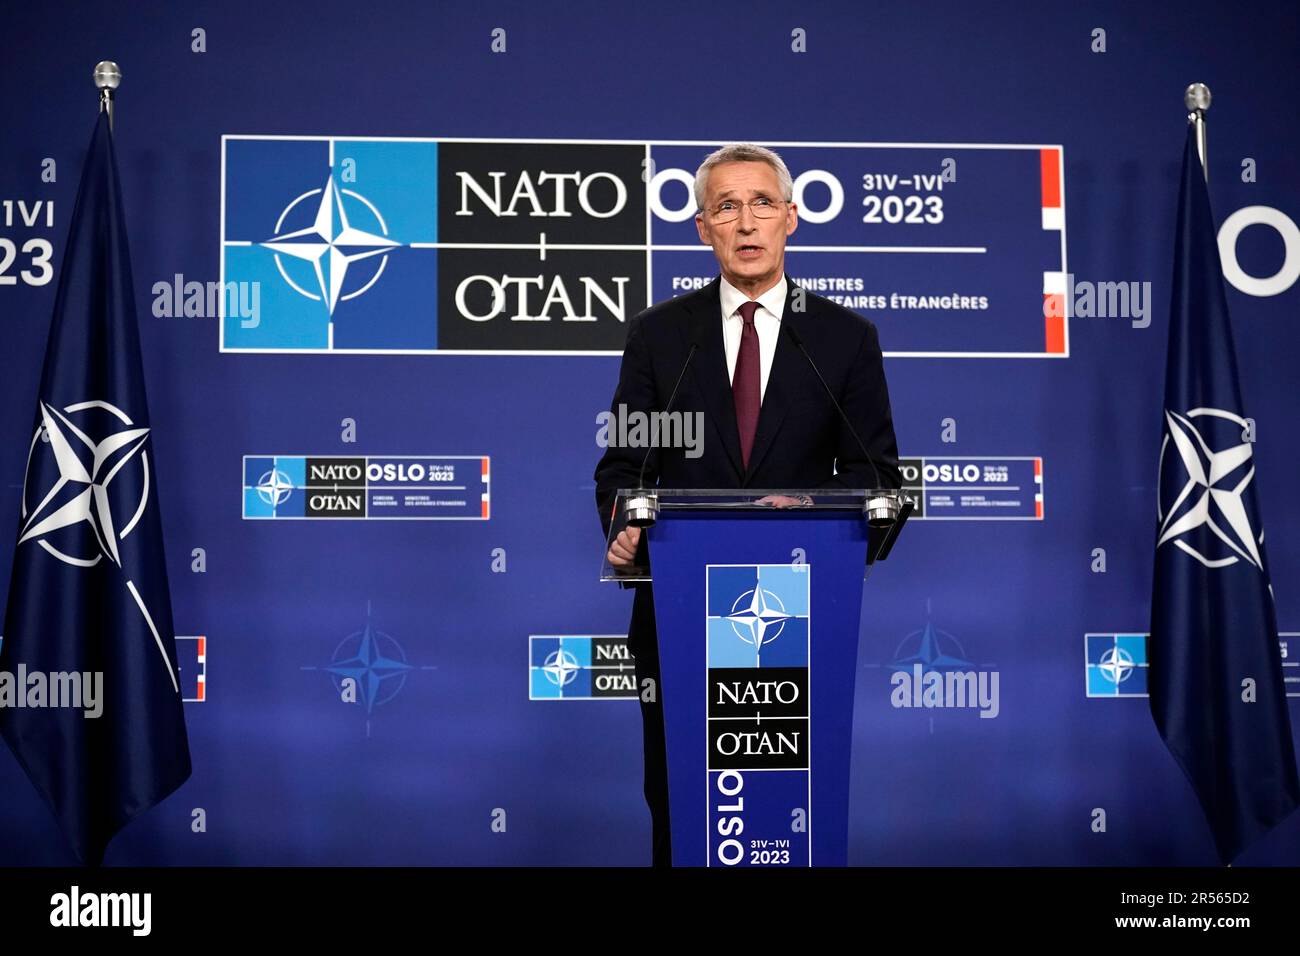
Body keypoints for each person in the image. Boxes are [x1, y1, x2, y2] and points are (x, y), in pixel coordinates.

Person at [593, 143, 901, 866]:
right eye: (726, 206)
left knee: (788, 808)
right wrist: (624, 530)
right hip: (679, 617)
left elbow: (876, 477)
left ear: (792, 218)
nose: (746, 221)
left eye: (762, 203)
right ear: (703, 229)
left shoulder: (844, 339)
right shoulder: (661, 336)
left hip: (799, 610)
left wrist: (814, 509)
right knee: (683, 807)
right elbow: (622, 469)